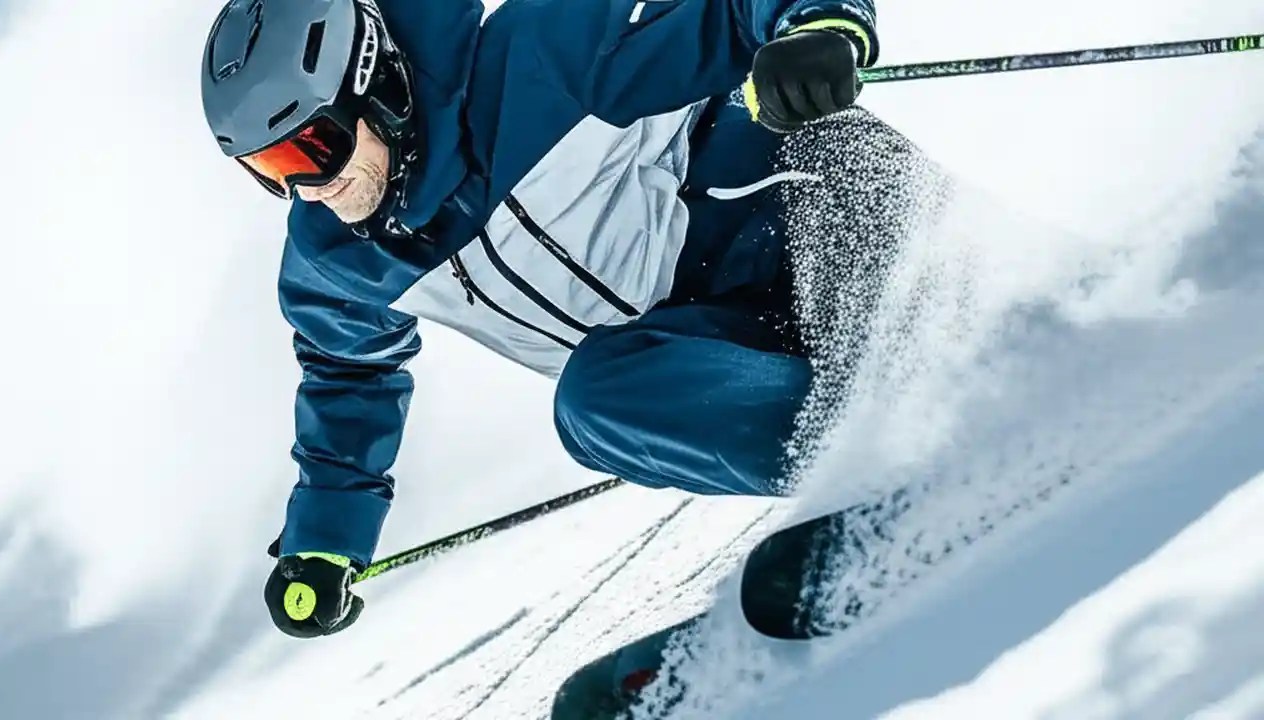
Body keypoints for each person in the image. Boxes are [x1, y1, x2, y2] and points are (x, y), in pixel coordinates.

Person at [200, 0, 879, 638]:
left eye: (314, 148)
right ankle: (893, 453)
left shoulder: (545, 60)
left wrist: (821, 30)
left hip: (822, 218)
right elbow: (347, 374)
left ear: (376, 86)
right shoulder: (340, 258)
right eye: (270, 166)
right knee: (594, 404)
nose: (309, 189)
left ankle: (935, 396)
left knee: (864, 263)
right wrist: (323, 539)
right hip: (723, 355)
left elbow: (732, 12)